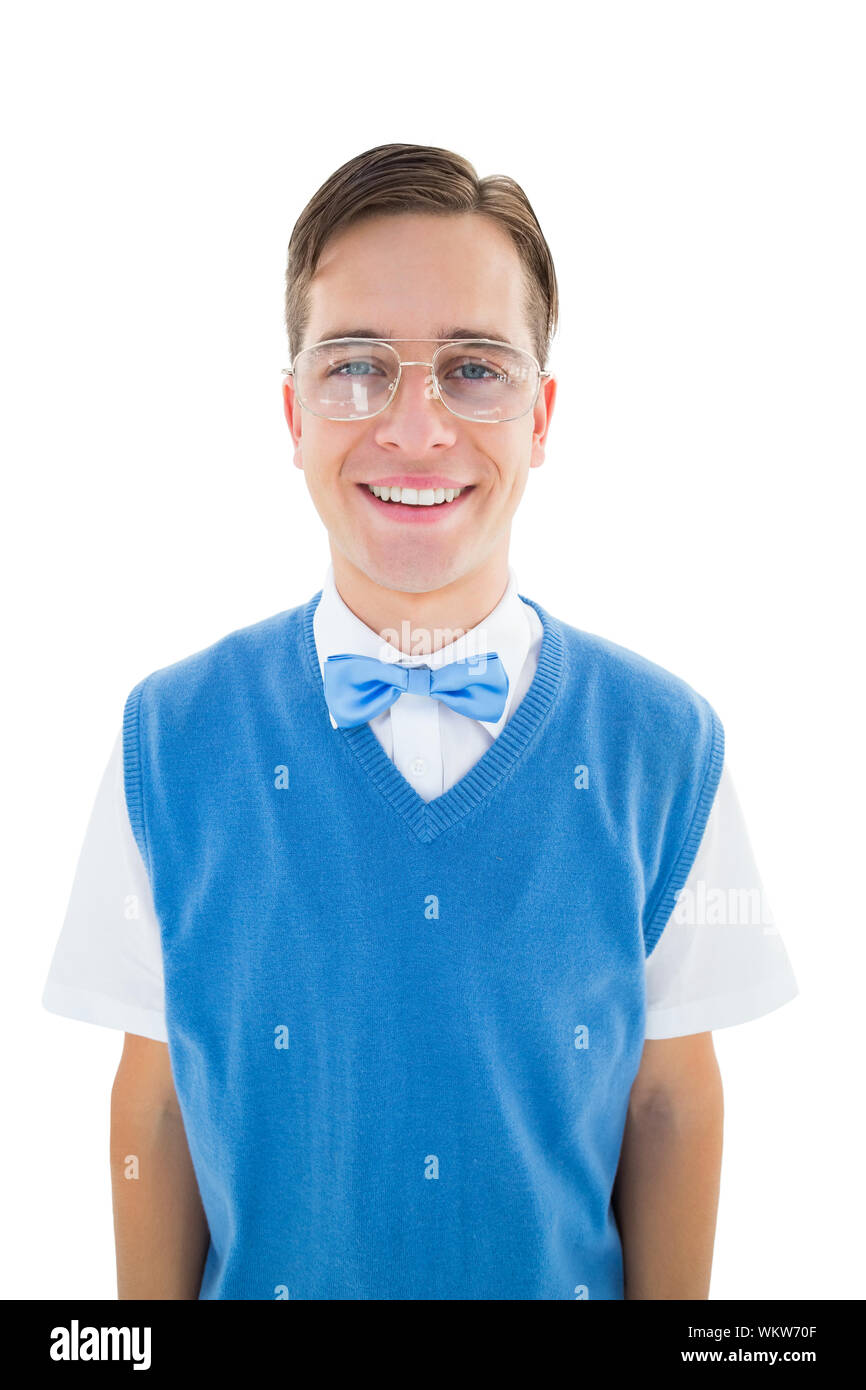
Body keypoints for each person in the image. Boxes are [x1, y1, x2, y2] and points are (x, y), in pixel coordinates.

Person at [42, 142, 799, 1301]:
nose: (412, 425)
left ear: (541, 415)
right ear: (291, 412)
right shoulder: (171, 739)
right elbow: (154, 1092)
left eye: (473, 368)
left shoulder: (663, 747)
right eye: (354, 366)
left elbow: (666, 1095)